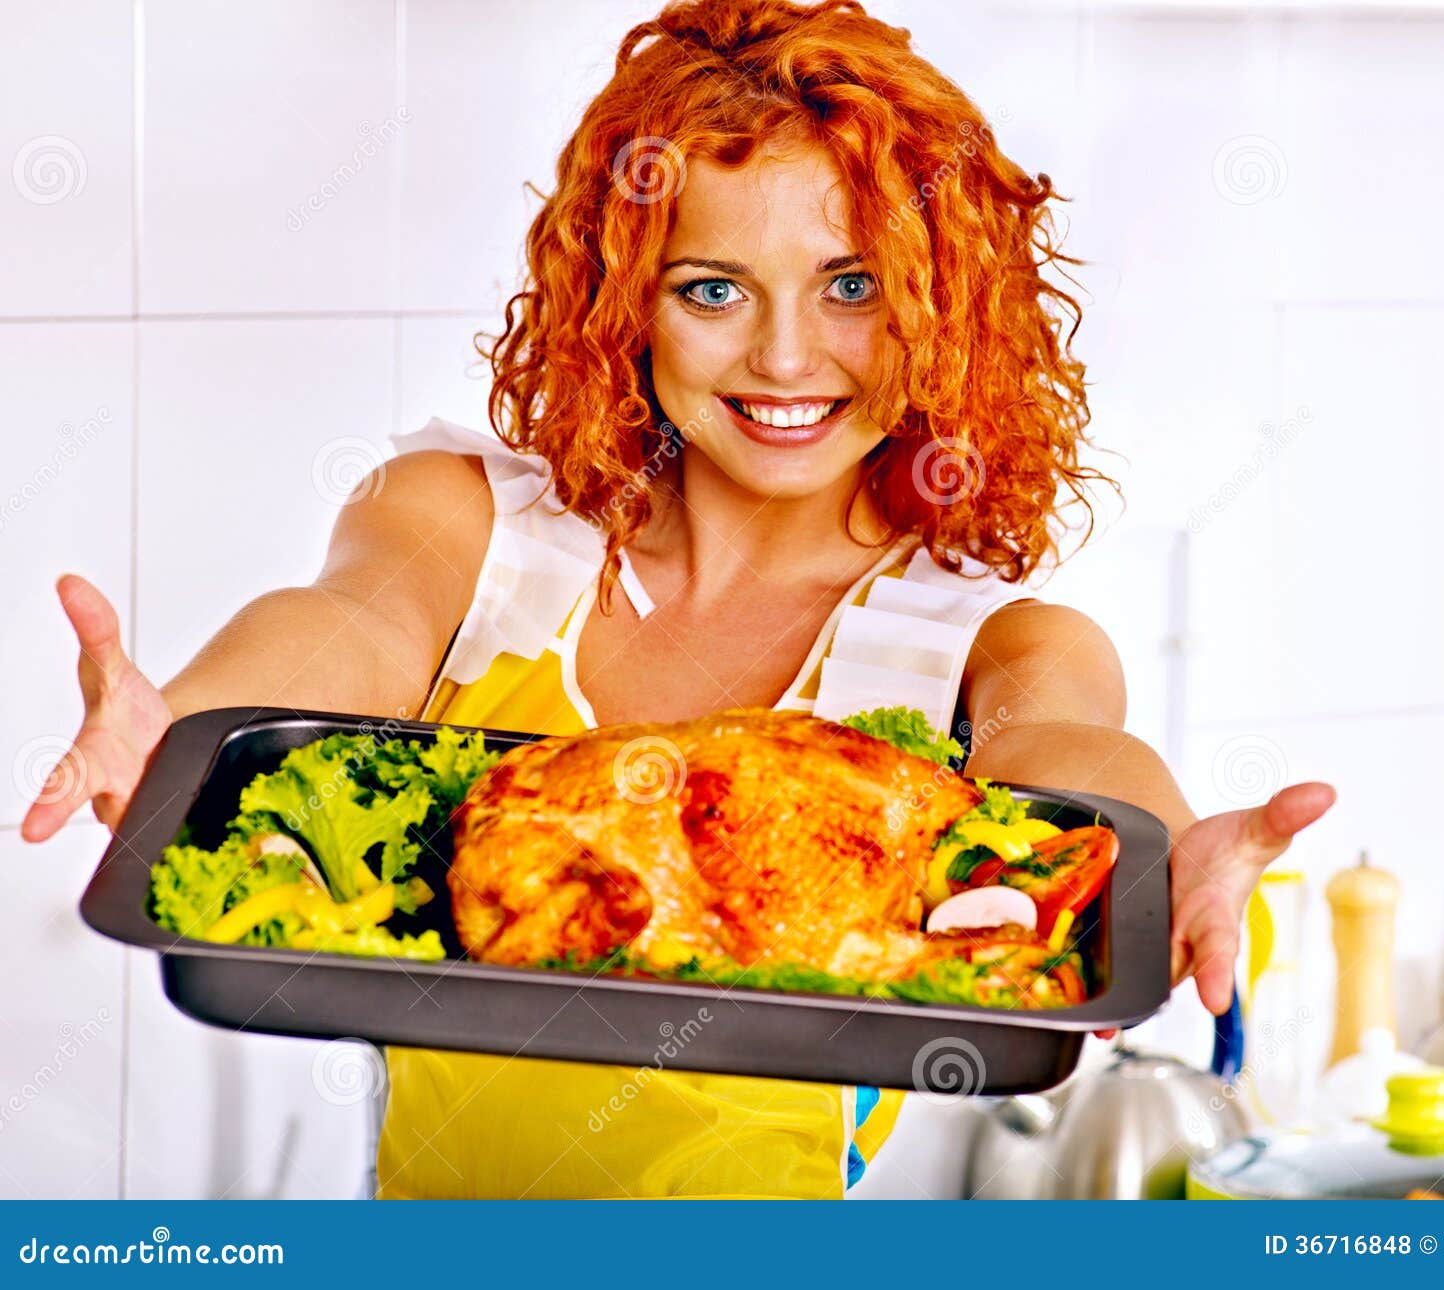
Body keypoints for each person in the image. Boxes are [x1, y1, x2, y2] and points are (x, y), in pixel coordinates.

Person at [22, 0, 1334, 1198]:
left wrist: (1158, 857)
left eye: (852, 286)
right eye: (714, 289)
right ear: (625, 299)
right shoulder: (470, 521)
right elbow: (353, 626)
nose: (783, 356)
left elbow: (1066, 754)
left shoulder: (980, 641)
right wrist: (193, 723)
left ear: (940, 303)